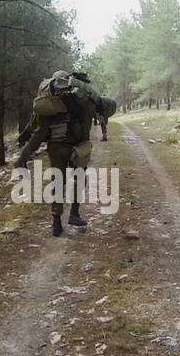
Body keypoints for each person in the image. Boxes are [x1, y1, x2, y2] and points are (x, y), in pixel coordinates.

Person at [15, 71, 116, 237]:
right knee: (79, 177)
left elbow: (37, 132)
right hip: (75, 145)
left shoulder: (48, 103)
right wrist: (83, 146)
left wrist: (23, 151)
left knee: (57, 182)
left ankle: (56, 223)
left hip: (55, 147)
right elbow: (85, 130)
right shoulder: (88, 101)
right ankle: (74, 214)